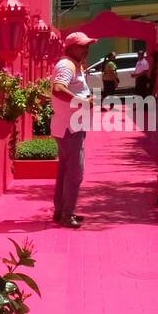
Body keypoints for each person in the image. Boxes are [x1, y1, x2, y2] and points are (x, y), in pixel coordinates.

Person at [51, 31, 96, 228]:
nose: (86, 49)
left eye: (87, 45)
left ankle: (61, 210)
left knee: (65, 171)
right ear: (70, 47)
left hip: (69, 126)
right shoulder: (67, 65)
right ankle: (66, 215)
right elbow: (58, 89)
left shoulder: (75, 65)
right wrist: (82, 102)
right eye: (82, 46)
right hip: (70, 128)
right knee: (75, 173)